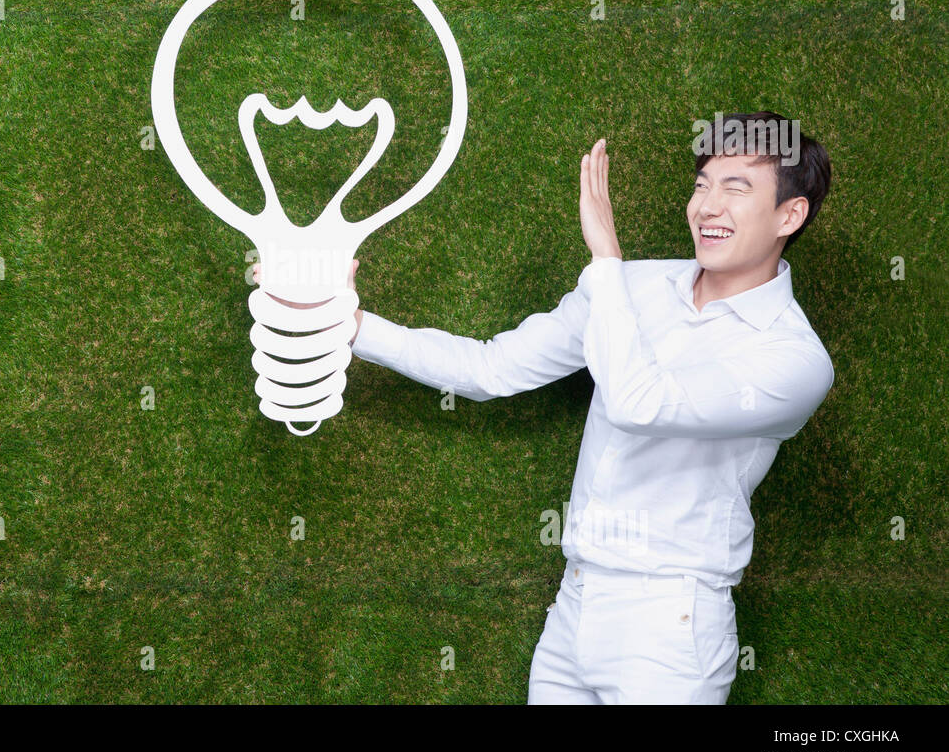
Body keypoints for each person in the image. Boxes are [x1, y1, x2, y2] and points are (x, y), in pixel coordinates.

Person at [256, 111, 834, 704]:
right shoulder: (630, 287)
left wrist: (606, 260)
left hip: (671, 630)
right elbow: (489, 369)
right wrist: (347, 322)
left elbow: (640, 403)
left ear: (789, 214)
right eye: (702, 184)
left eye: (736, 188)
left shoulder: (792, 359)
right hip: (574, 604)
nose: (707, 205)